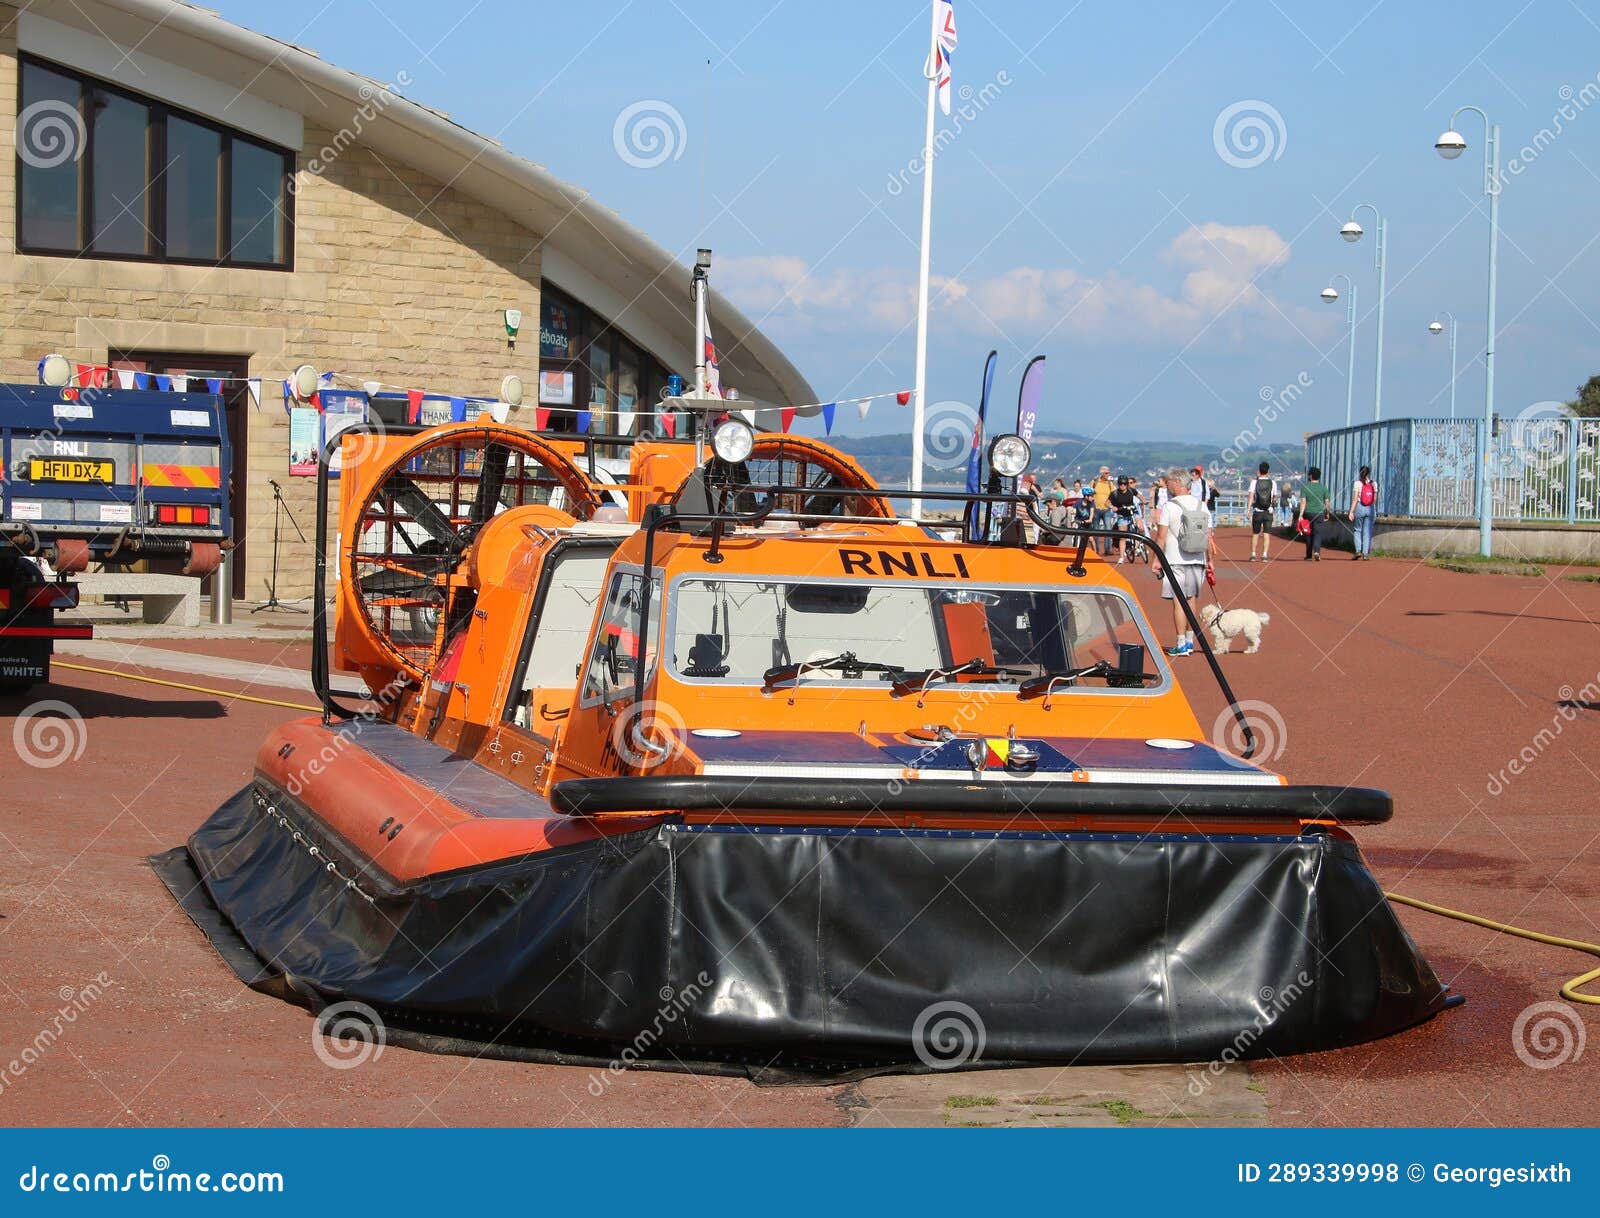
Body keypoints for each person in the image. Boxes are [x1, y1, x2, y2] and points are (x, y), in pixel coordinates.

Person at [1155, 468, 1213, 656]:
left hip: (1175, 559)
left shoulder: (1170, 506)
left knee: (1178, 601)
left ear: (1178, 483)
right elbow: (1208, 536)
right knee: (1192, 599)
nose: (1167, 485)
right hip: (1197, 558)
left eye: (1170, 482)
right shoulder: (1201, 506)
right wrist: (1209, 561)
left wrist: (1157, 559)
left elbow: (1161, 536)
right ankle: (1189, 641)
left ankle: (1180, 643)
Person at [1247, 461, 1280, 562]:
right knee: (1266, 534)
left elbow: (1251, 497)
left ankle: (1253, 554)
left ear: (1259, 470)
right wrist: (1272, 506)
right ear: (1268, 471)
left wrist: (1248, 510)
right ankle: (1264, 555)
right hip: (1268, 511)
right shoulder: (1273, 483)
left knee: (1255, 533)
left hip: (1257, 511)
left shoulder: (1254, 482)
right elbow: (1275, 498)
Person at [1296, 466, 1331, 561]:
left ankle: (1308, 555)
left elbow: (1303, 502)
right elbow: (1327, 502)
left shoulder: (1305, 487)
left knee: (1308, 533)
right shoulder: (1323, 488)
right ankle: (1317, 551)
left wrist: (1300, 515)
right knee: (1317, 533)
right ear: (1319, 476)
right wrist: (1327, 513)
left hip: (1308, 512)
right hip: (1319, 513)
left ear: (1310, 476)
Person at [1349, 465, 1378, 560]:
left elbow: (1355, 499)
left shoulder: (1357, 483)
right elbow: (1374, 499)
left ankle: (1358, 550)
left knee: (1357, 530)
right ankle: (1365, 554)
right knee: (1367, 532)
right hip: (1371, 508)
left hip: (1360, 507)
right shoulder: (1374, 484)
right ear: (1369, 473)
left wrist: (1351, 511)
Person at [1110, 476, 1138, 561]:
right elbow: (1107, 503)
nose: (1123, 486)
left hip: (1132, 512)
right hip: (1122, 515)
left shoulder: (1131, 491)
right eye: (1121, 484)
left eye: (1125, 484)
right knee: (1122, 536)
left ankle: (1139, 544)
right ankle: (1122, 557)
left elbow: (1140, 496)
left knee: (1140, 527)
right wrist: (1112, 507)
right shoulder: (1114, 493)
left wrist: (1144, 501)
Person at [1090, 466, 1115, 554]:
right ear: (1102, 473)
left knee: (1108, 529)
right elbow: (1089, 493)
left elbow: (1114, 494)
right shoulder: (1095, 482)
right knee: (1096, 530)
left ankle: (1107, 549)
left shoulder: (1110, 483)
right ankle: (1096, 549)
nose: (1108, 475)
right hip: (1096, 509)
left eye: (1108, 473)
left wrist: (1113, 505)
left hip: (1107, 509)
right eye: (1106, 473)